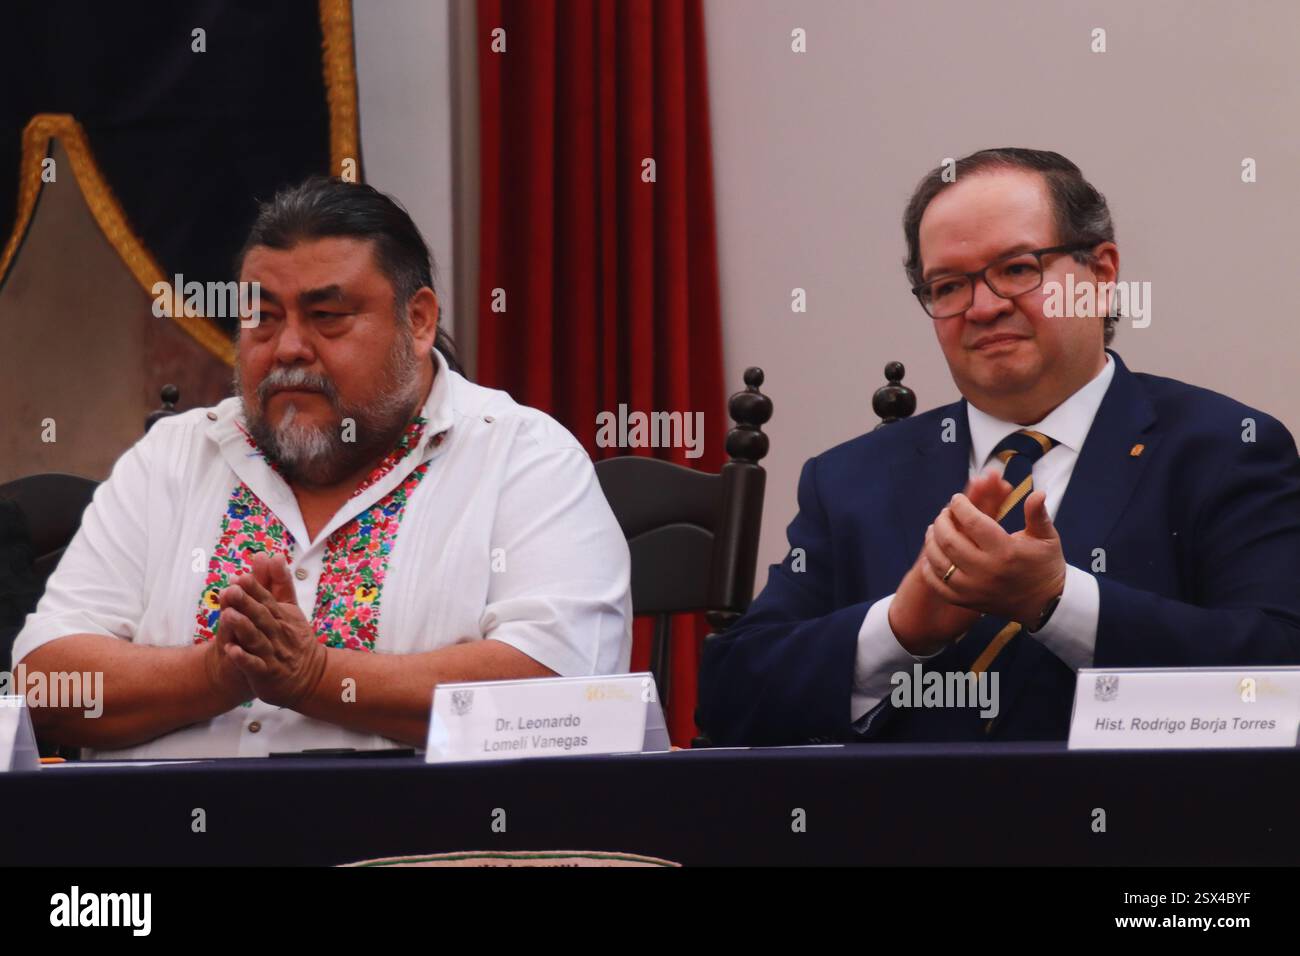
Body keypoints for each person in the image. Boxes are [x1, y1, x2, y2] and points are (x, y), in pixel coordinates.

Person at [698, 147, 1300, 744]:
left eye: (1017, 269)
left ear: (1101, 272)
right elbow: (730, 698)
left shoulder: (1224, 450)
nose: (983, 308)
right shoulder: (851, 480)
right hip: (901, 834)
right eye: (949, 285)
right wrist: (900, 629)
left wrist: (1057, 601)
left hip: (1138, 830)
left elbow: (1279, 672)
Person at [14, 177, 632, 757]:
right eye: (264, 315)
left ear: (417, 321)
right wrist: (214, 674)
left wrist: (316, 677)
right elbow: (43, 683)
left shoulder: (521, 457)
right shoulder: (174, 457)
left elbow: (562, 692)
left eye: (326, 316)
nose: (287, 347)